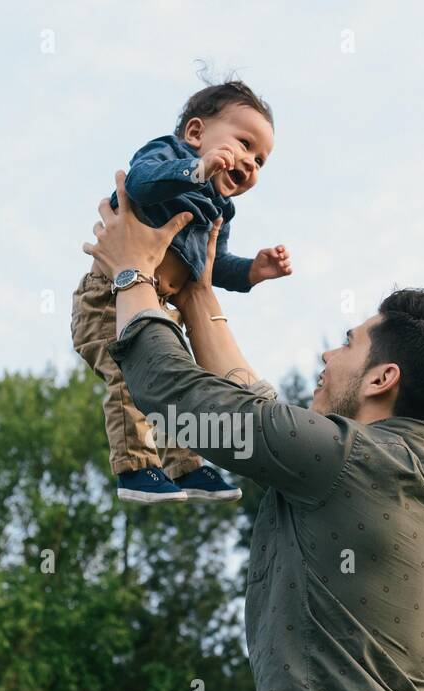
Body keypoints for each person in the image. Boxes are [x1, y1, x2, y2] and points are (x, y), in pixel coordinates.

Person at [83, 171, 424, 691]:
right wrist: (197, 294)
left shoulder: (347, 461)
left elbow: (180, 399)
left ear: (380, 378)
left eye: (347, 341)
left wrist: (130, 272)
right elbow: (258, 407)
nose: (329, 354)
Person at [71, 79, 292, 504]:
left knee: (174, 383)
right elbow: (140, 183)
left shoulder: (221, 210)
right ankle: (136, 468)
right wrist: (195, 170)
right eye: (244, 144)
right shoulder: (169, 156)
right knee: (129, 375)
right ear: (195, 134)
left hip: (161, 306)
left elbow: (211, 266)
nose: (250, 163)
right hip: (109, 296)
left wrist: (253, 271)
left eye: (261, 160)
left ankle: (186, 466)